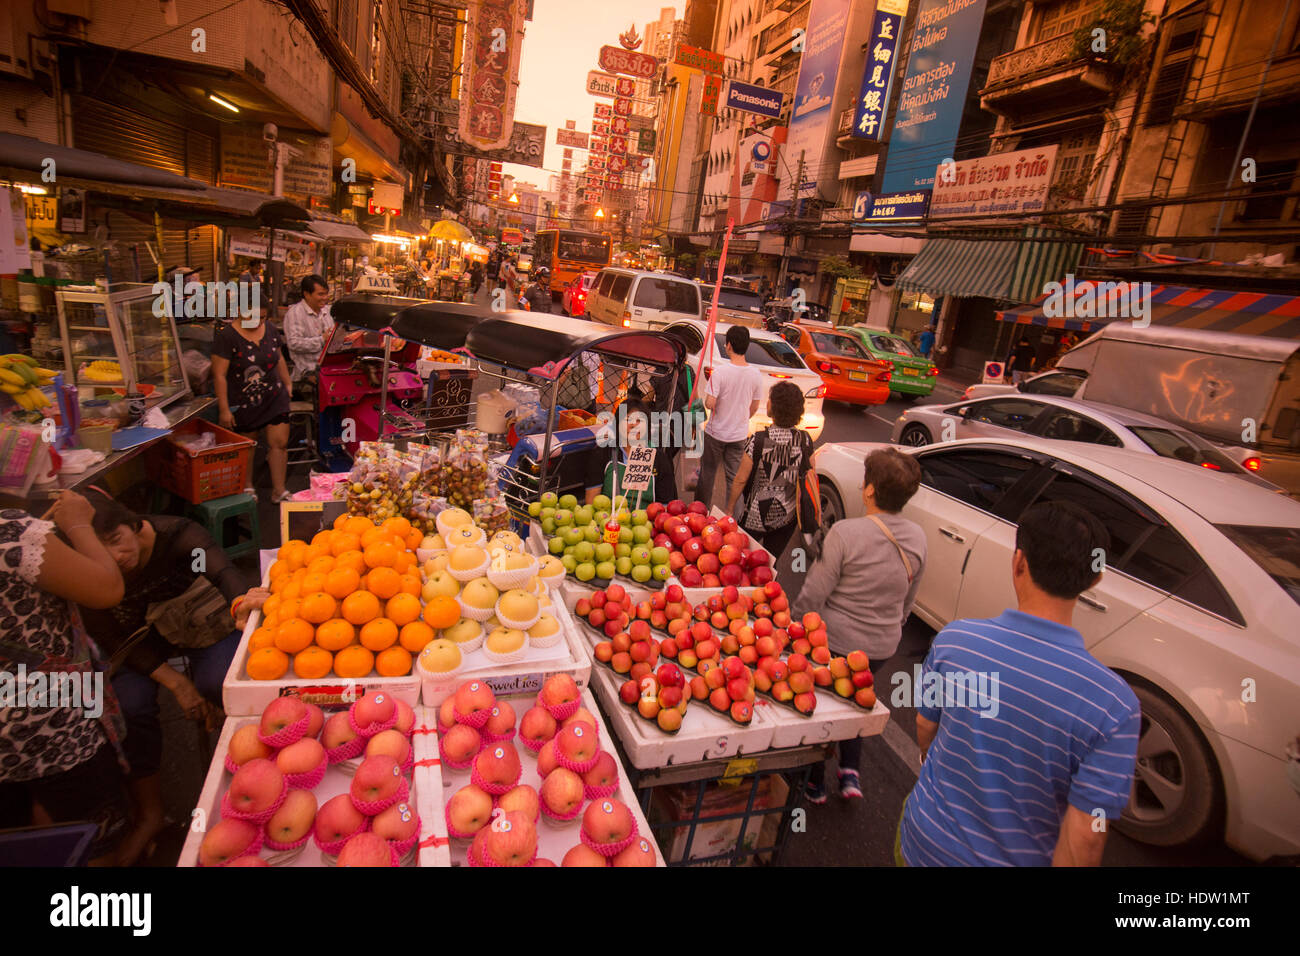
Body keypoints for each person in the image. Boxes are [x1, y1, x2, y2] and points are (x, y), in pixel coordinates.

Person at [898, 502, 1140, 867]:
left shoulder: (953, 641)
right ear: (1095, 579)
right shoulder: (1114, 705)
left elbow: (925, 725)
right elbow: (1085, 837)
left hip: (922, 843)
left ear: (1019, 563)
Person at [79, 491, 267, 866]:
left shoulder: (179, 537)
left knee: (220, 682)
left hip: (201, 623)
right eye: (102, 551)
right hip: (138, 643)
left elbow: (222, 572)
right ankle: (150, 813)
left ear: (132, 523)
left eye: (117, 540)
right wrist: (177, 683)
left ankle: (251, 779)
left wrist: (242, 601)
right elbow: (113, 638)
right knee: (128, 708)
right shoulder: (90, 573)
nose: (116, 557)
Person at [0, 493, 130, 865]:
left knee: (19, 839)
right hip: (44, 716)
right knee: (83, 834)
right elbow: (106, 588)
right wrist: (77, 524)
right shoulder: (13, 533)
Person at [797, 448, 927, 803]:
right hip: (882, 646)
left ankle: (814, 781)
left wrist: (795, 624)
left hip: (836, 642)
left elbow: (815, 592)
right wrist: (890, 626)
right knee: (854, 698)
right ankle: (850, 772)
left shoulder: (844, 533)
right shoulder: (917, 537)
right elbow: (909, 598)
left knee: (821, 704)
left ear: (869, 490)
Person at [211, 305, 293, 502]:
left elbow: (279, 356)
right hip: (244, 399)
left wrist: (288, 383)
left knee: (279, 443)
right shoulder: (227, 336)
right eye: (255, 317)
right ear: (240, 310)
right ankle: (247, 486)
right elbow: (219, 375)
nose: (259, 322)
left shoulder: (270, 329)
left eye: (263, 317)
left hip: (274, 395)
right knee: (249, 444)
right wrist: (224, 409)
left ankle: (279, 490)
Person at [724, 381, 811, 562]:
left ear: (774, 407)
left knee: (745, 560)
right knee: (771, 562)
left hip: (755, 515)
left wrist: (730, 508)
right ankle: (771, 587)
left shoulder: (759, 440)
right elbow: (809, 476)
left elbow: (740, 479)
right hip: (787, 517)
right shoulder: (805, 440)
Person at [695, 325, 763, 511]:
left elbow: (709, 404)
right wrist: (740, 419)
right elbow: (755, 406)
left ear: (729, 346)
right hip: (739, 435)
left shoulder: (721, 373)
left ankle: (701, 513)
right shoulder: (755, 375)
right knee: (734, 478)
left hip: (715, 433)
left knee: (707, 475)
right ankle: (734, 518)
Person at [590, 397, 656, 511]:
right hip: (608, 522)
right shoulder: (603, 453)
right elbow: (591, 501)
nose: (633, 425)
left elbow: (667, 504)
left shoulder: (658, 458)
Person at [282, 274, 333, 389]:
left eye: (326, 293)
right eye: (320, 294)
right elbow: (293, 343)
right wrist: (321, 340)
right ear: (306, 294)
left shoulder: (327, 311)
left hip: (327, 369)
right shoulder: (295, 314)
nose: (325, 297)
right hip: (306, 374)